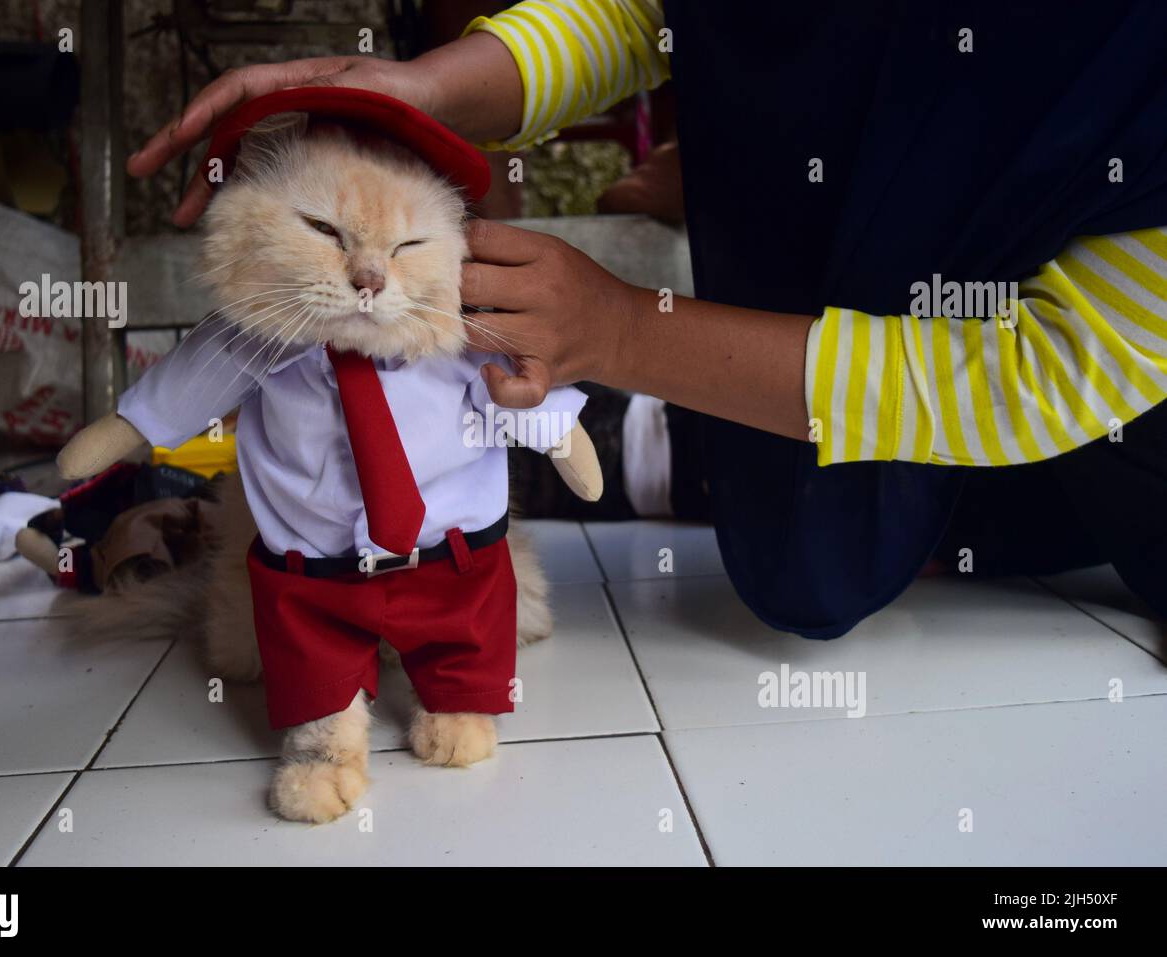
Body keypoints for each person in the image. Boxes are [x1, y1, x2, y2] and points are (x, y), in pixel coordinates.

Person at [126, 1, 1167, 638]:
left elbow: (1047, 371)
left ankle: (995, 516)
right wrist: (425, 88)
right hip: (880, 237)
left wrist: (623, 332)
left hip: (1113, 391)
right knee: (808, 567)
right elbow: (649, 12)